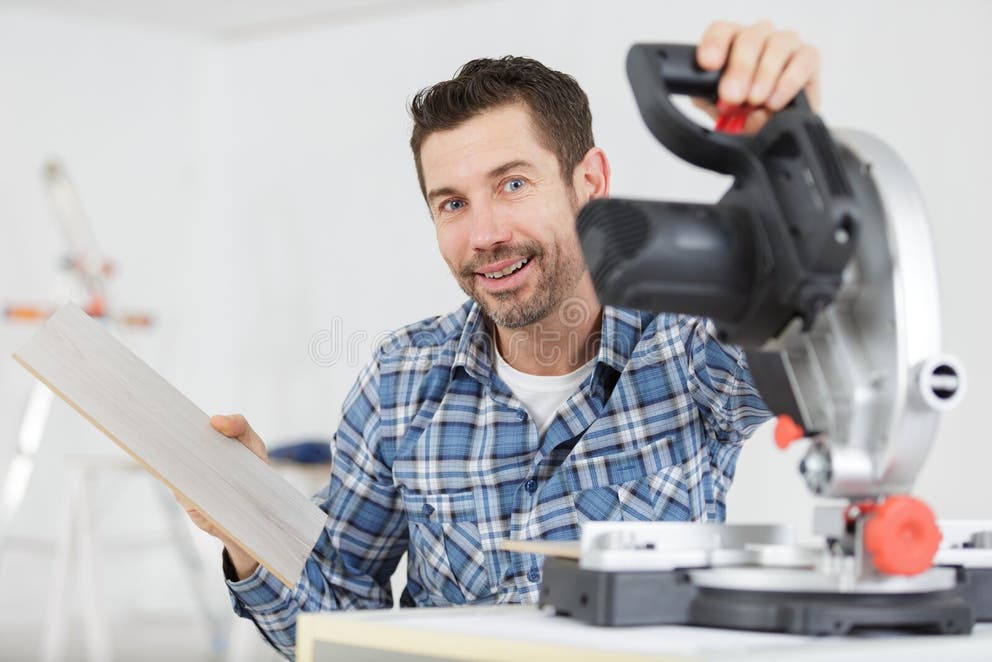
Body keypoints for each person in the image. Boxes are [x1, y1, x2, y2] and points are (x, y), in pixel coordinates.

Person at [179, 20, 822, 658]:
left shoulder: (689, 350)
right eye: (452, 203)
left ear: (590, 184)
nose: (483, 234)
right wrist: (246, 523)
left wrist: (794, 162)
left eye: (512, 184)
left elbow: (825, 341)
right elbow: (336, 620)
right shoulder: (400, 379)